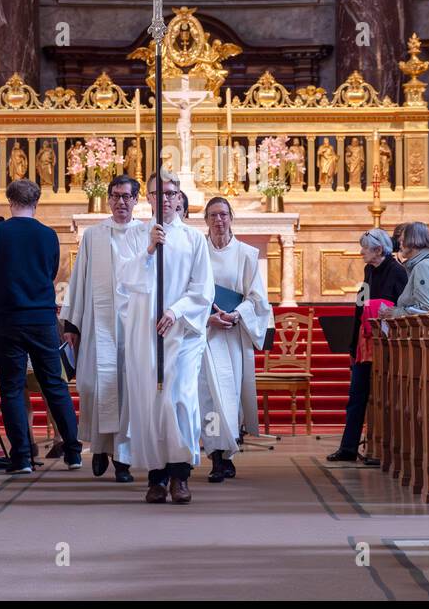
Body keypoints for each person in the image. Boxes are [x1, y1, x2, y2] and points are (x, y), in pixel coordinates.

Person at [0, 179, 82, 474]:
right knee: (54, 385)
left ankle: (21, 458)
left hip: (9, 319)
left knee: (12, 388)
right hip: (43, 318)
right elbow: (52, 270)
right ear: (37, 202)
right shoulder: (48, 235)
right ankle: (73, 451)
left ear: (9, 201)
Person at [117, 171, 213, 504]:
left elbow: (203, 288)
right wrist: (147, 250)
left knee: (180, 400)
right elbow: (124, 278)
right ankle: (156, 477)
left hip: (182, 332)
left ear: (179, 198)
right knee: (151, 402)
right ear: (149, 198)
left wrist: (176, 310)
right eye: (159, 193)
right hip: (145, 331)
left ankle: (180, 475)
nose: (166, 200)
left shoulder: (193, 239)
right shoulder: (136, 235)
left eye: (171, 194)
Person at [61, 175, 146, 482]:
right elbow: (79, 279)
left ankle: (122, 460)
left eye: (126, 196)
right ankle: (100, 446)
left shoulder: (146, 233)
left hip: (136, 325)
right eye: (116, 196)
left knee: (127, 392)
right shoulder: (94, 236)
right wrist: (72, 323)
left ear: (137, 200)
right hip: (100, 324)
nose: (121, 202)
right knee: (96, 386)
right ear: (108, 199)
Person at [199, 197, 272, 483]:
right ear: (206, 220)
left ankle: (228, 453)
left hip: (233, 334)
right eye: (213, 215)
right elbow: (187, 291)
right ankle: (216, 455)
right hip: (206, 333)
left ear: (232, 218)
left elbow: (257, 298)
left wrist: (237, 314)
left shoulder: (246, 254)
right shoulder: (198, 251)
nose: (219, 221)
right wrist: (208, 316)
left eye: (223, 215)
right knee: (209, 397)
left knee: (230, 397)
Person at [328, 228, 407, 463]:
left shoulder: (397, 272)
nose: (361, 252)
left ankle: (382, 448)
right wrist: (352, 346)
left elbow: (401, 309)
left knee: (384, 396)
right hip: (365, 344)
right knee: (356, 395)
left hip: (386, 345)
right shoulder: (368, 270)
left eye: (365, 248)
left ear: (379, 250)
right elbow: (360, 307)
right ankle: (348, 447)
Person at [382, 222, 429, 317]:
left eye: (402, 241)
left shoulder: (423, 266)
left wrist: (395, 313)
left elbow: (425, 308)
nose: (400, 245)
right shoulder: (422, 264)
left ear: (412, 241)